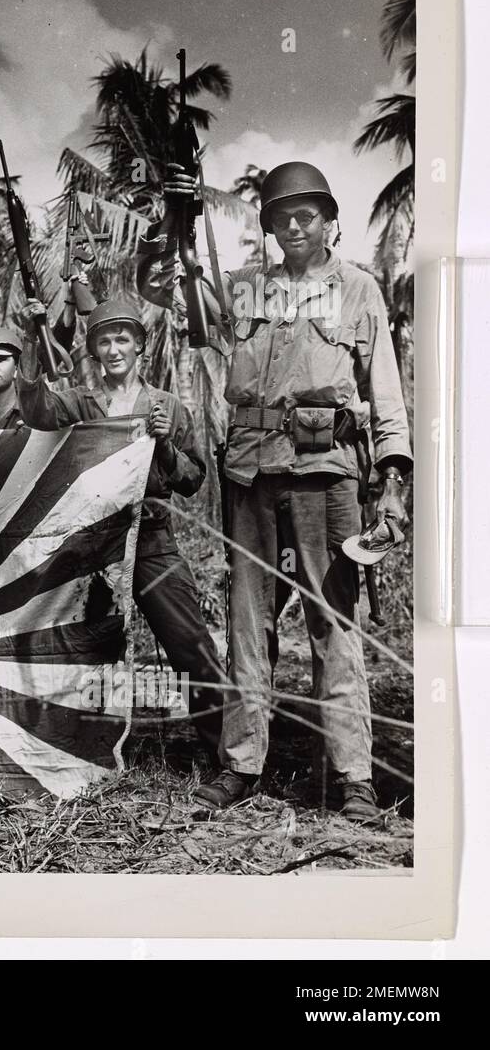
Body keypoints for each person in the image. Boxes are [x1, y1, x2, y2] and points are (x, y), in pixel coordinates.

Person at [162, 159, 412, 821]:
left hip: (325, 479)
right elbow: (191, 318)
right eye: (281, 216)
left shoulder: (358, 290)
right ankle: (241, 761)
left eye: (307, 214)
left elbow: (385, 393)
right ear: (268, 226)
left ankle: (354, 773)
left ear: (329, 221)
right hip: (251, 479)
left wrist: (393, 487)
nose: (295, 225)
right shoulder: (245, 289)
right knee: (249, 624)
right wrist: (179, 229)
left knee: (334, 627)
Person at [16, 296, 229, 762]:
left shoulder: (167, 406)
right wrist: (35, 340)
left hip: (151, 539)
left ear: (140, 347)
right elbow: (36, 412)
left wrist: (166, 446)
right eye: (104, 341)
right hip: (93, 546)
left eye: (123, 340)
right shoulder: (81, 403)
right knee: (78, 649)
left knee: (189, 644)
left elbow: (193, 480)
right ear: (94, 351)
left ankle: (229, 756)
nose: (113, 350)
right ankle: (70, 753)